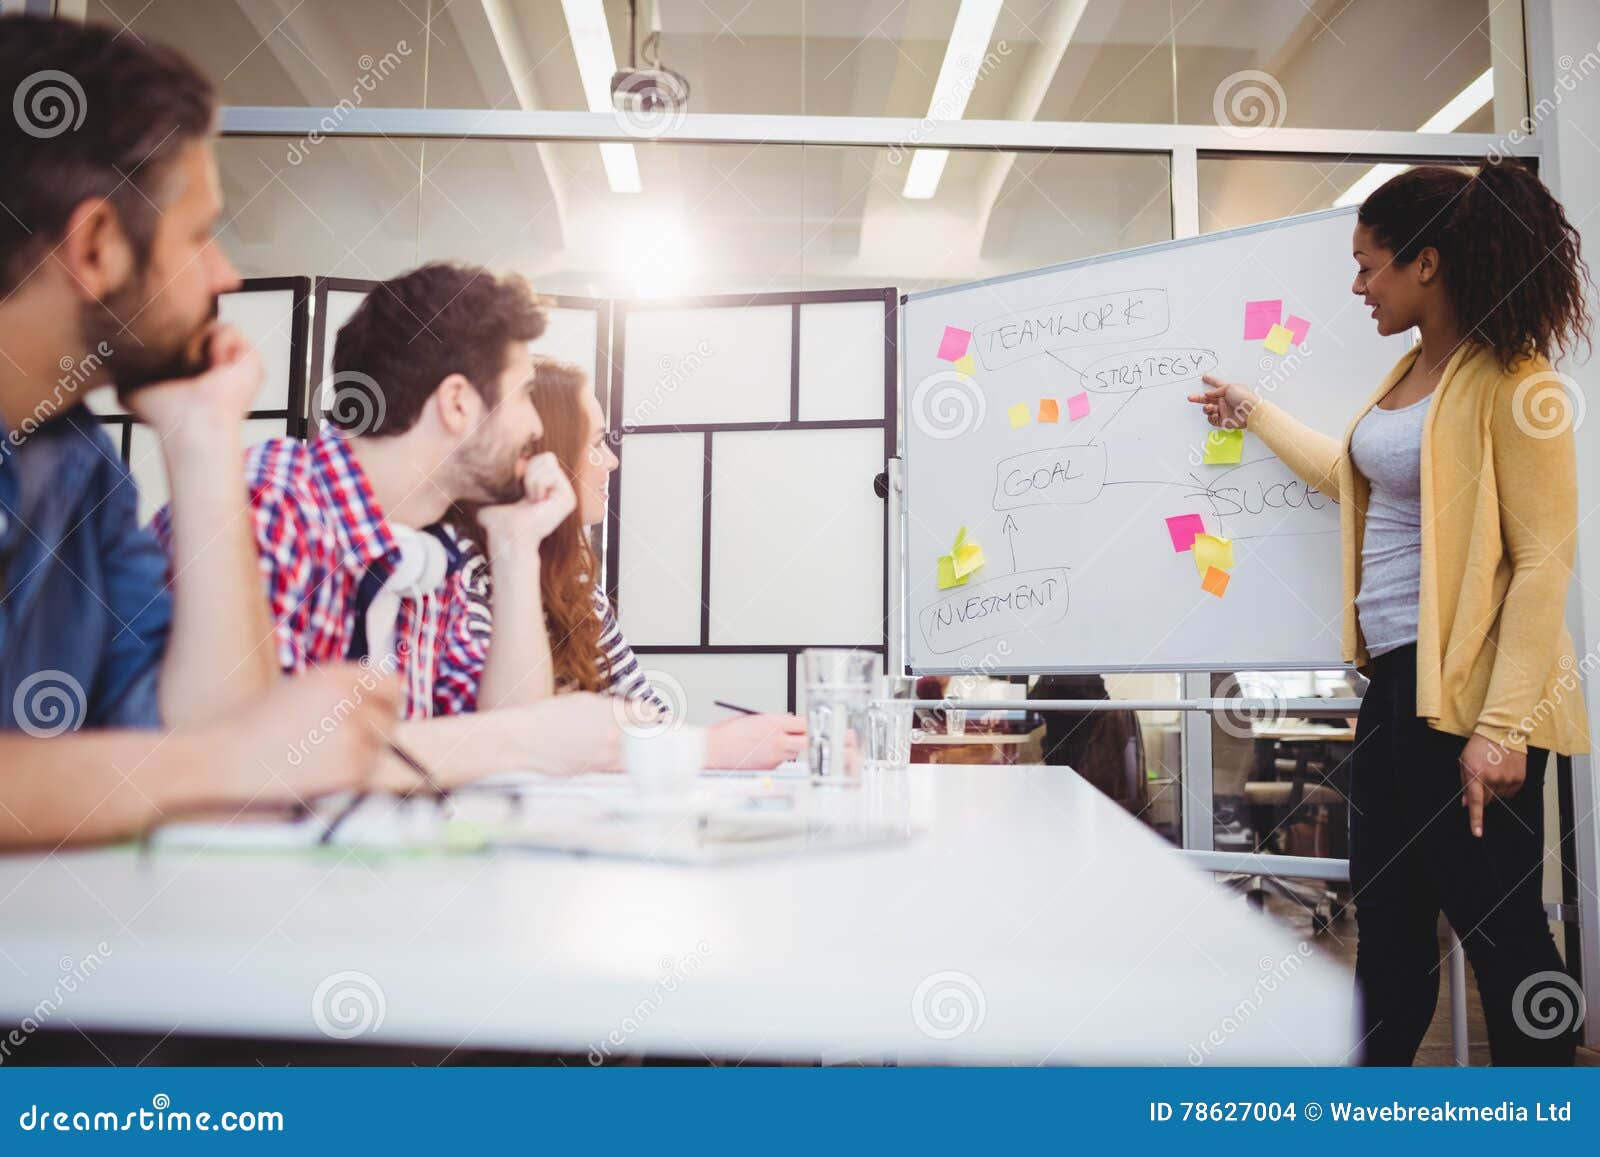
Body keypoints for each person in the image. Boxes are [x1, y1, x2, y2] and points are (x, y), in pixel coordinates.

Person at [1190, 159, 1591, 1065]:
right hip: (1397, 689)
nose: (1358, 284)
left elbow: (1542, 566)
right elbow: (1355, 480)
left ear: (1429, 263)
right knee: (1392, 933)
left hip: (1479, 702)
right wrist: (1253, 411)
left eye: (1369, 263)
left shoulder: (1515, 382)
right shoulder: (1412, 371)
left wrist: (1503, 727)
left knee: (1507, 942)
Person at [0, 17, 392, 847]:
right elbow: (228, 762)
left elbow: (212, 737)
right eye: (198, 234)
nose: (226, 275)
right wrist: (226, 763)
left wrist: (205, 439)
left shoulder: (77, 463)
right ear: (98, 246)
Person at [157, 264, 623, 783]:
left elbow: (499, 745)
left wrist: (516, 546)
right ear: (457, 404)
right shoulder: (272, 502)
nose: (536, 427)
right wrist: (532, 737)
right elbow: (253, 763)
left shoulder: (424, 548)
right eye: (522, 396)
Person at [446, 359, 806, 769]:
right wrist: (711, 747)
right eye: (595, 443)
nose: (612, 461)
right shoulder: (464, 574)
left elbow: (647, 718)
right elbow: (511, 746)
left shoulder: (575, 581)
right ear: (548, 455)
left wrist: (750, 741)